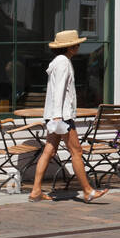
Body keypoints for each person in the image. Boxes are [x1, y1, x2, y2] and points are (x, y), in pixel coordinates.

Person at [28, 30, 106, 204]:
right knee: (76, 151)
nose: (78, 46)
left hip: (55, 115)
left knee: (49, 150)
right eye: (77, 44)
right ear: (70, 47)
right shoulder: (63, 63)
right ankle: (87, 191)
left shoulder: (57, 61)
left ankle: (35, 191)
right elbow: (60, 90)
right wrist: (58, 116)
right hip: (61, 116)